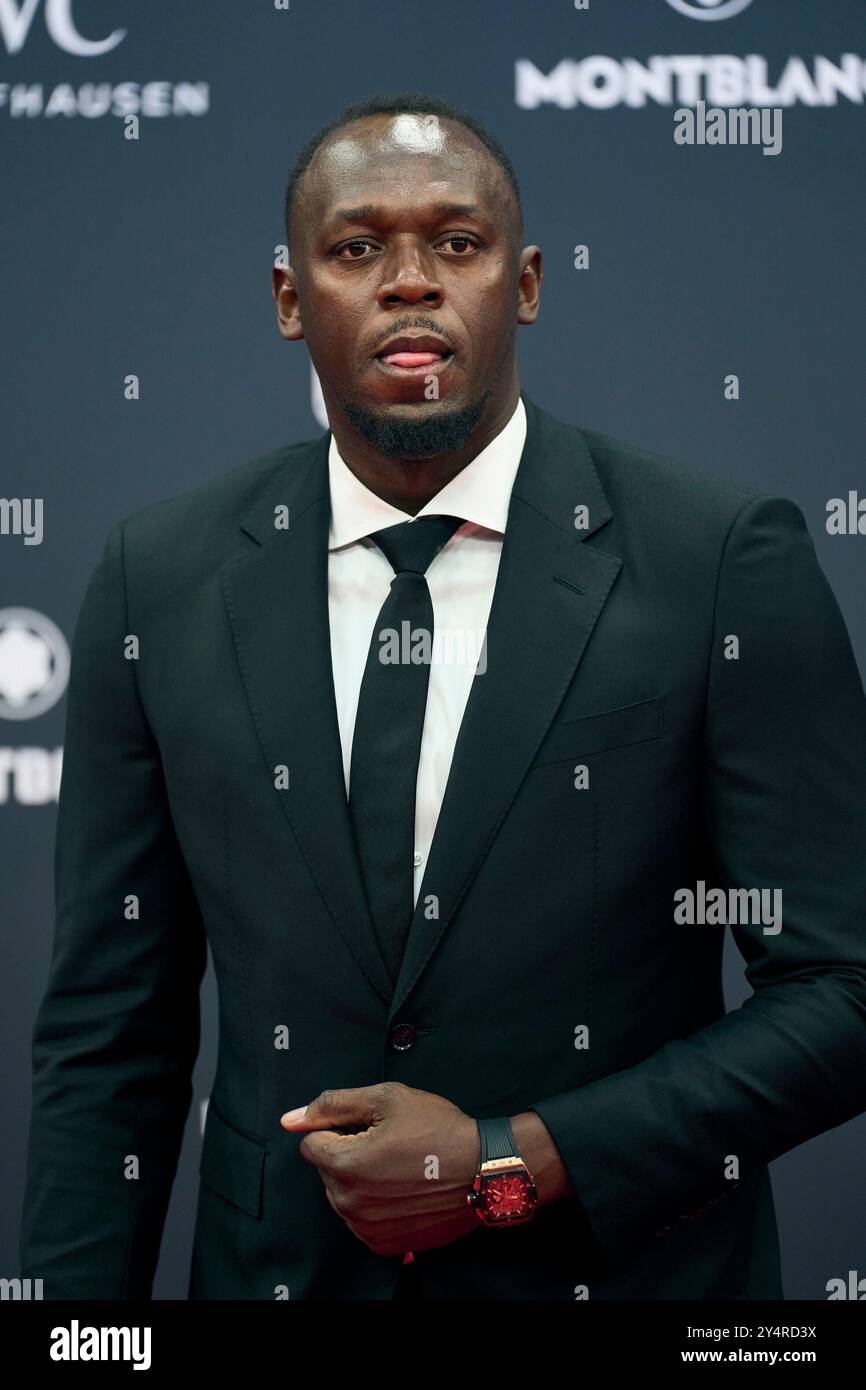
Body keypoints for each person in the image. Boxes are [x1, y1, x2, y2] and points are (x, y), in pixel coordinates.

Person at [20, 91, 866, 1301]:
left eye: (455, 245)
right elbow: (109, 1040)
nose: (409, 283)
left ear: (521, 284)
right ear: (287, 297)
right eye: (356, 248)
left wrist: (509, 1161)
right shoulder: (158, 579)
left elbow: (841, 990)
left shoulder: (720, 560)